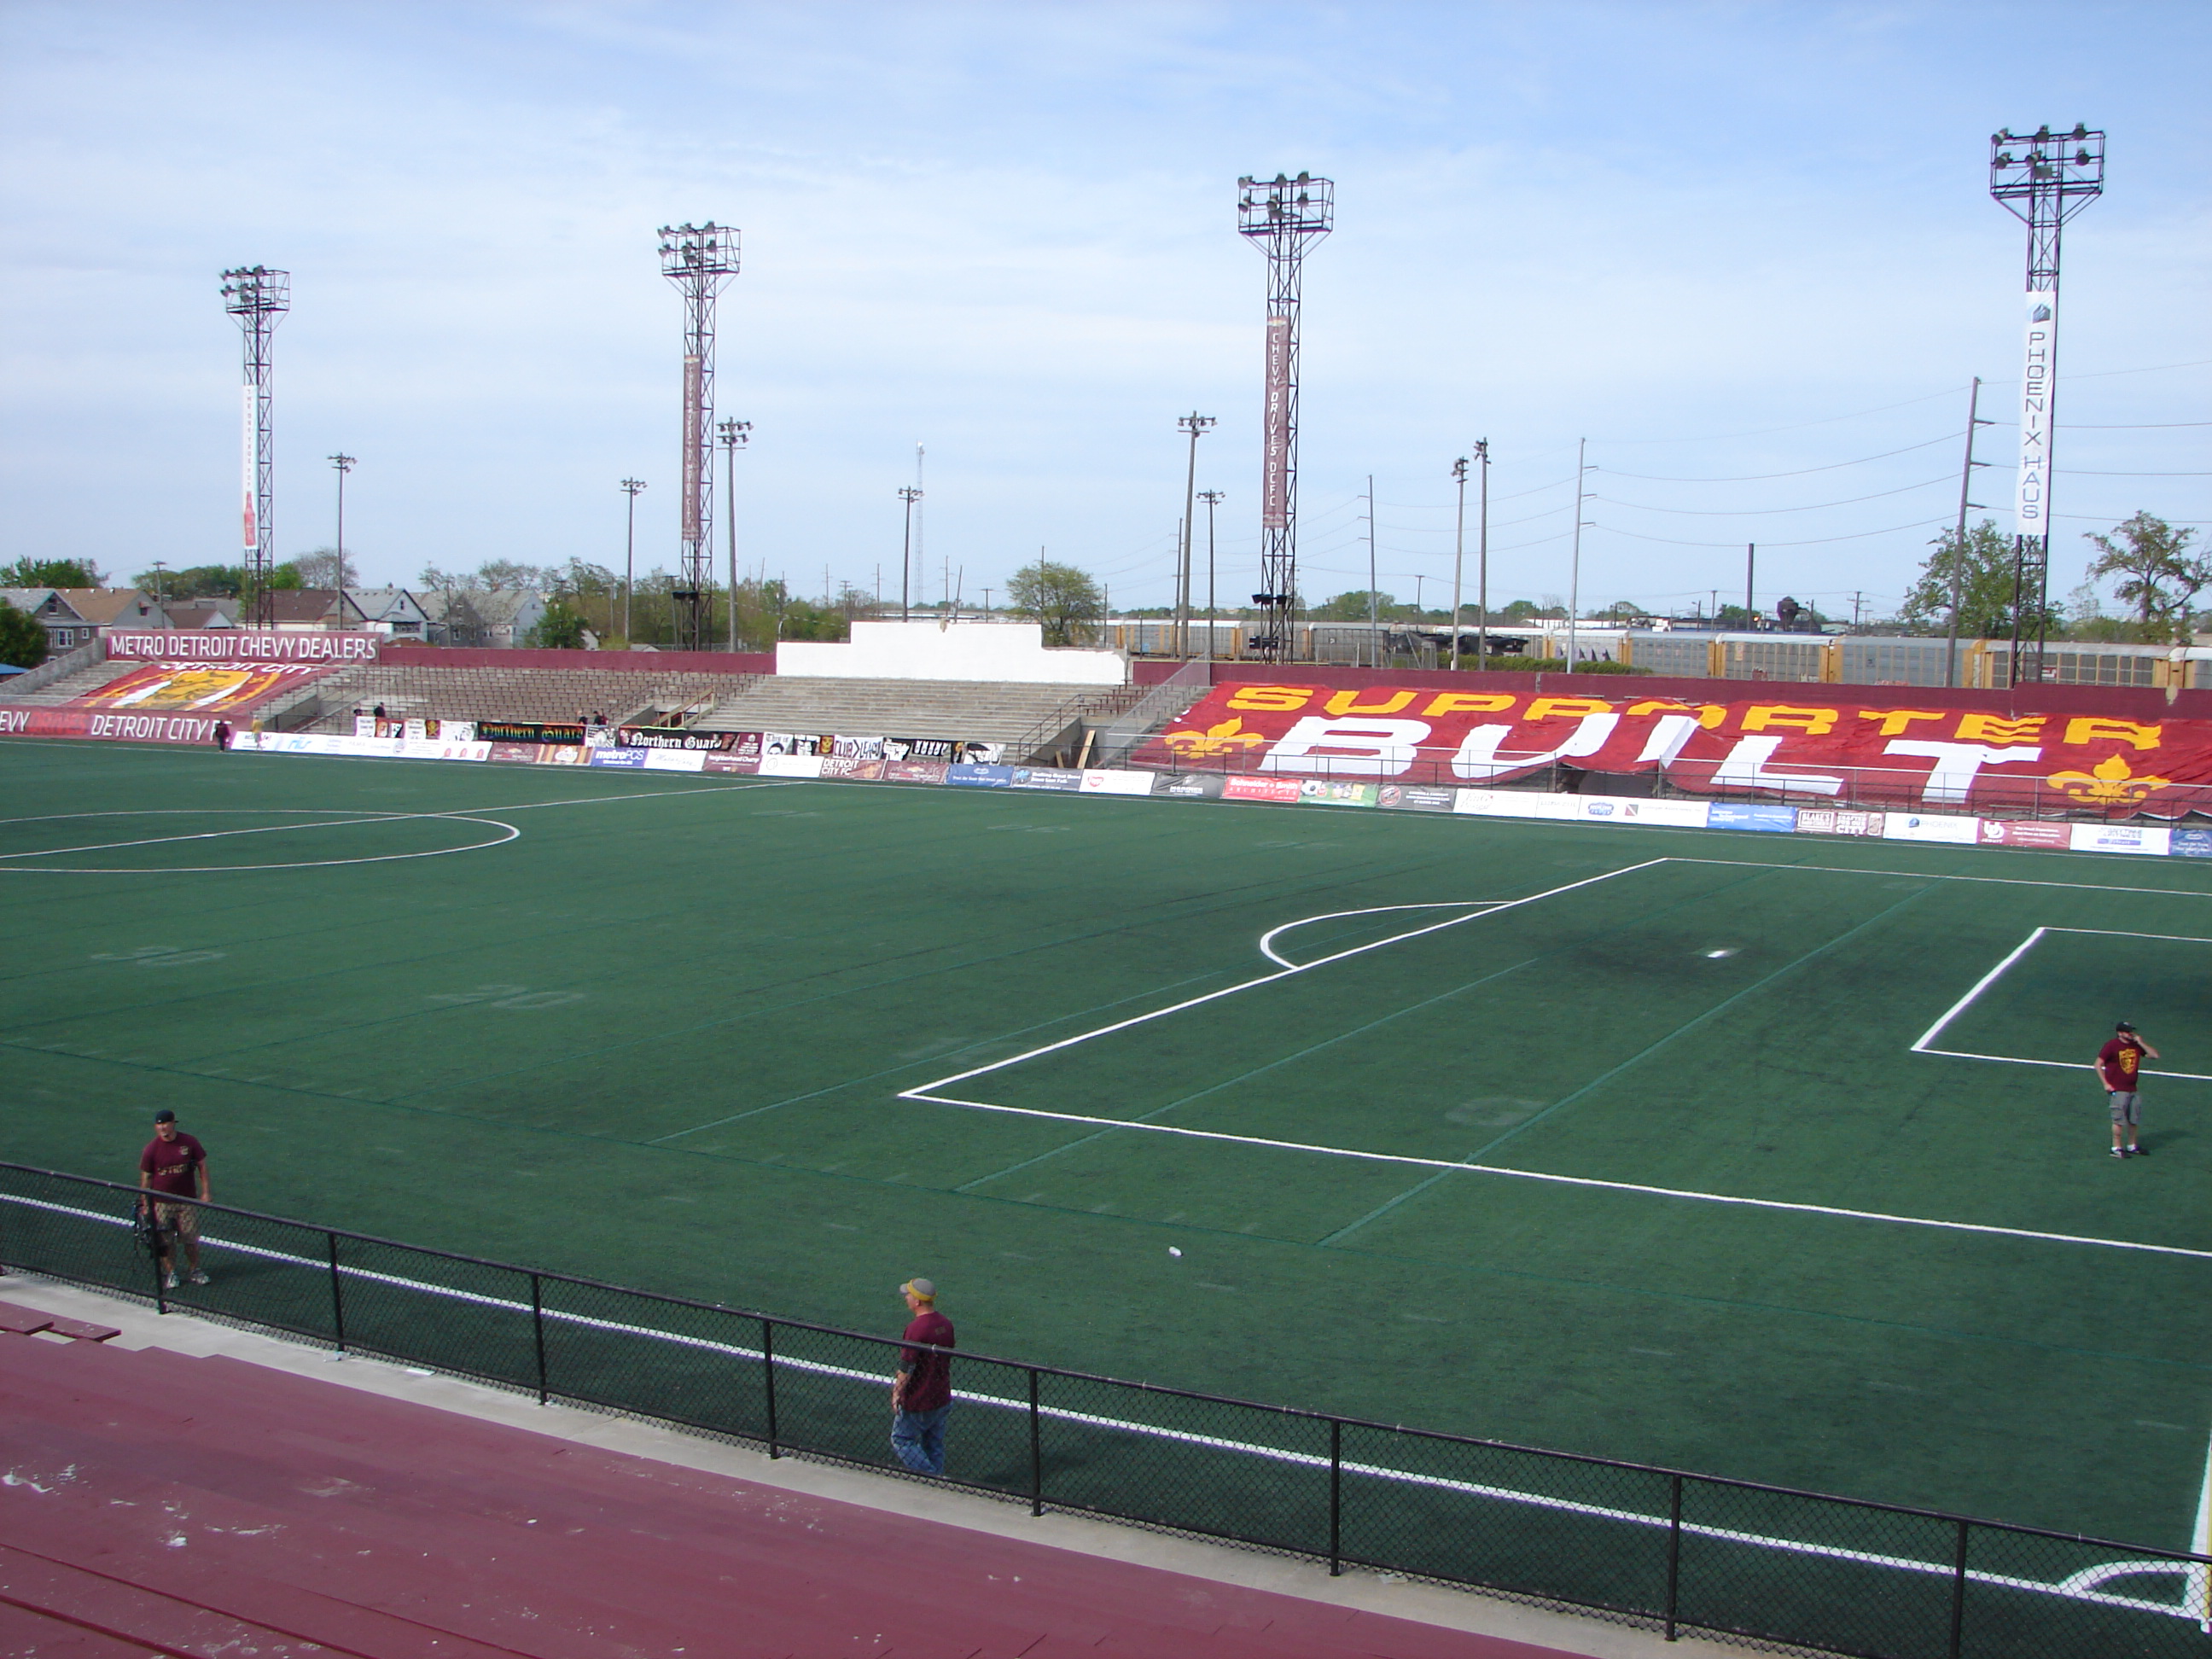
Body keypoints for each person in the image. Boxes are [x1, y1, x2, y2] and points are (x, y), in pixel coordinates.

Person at [888, 1278, 955, 1476]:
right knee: (933, 1443)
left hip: (919, 1398)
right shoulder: (945, 1324)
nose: (906, 1298)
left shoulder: (917, 1328)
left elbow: (907, 1365)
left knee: (901, 1439)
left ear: (917, 1301)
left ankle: (932, 1478)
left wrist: (897, 1392)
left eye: (908, 1295)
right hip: (941, 1395)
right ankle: (939, 1477)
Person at [137, 1109, 211, 1287]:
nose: (162, 1128)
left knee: (190, 1239)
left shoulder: (189, 1142)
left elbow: (202, 1167)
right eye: (159, 1124)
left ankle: (194, 1270)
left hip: (186, 1201)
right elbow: (146, 1178)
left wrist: (205, 1192)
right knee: (165, 1241)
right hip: (161, 1203)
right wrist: (145, 1203)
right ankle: (171, 1273)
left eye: (165, 1124)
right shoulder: (151, 1149)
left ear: (173, 1124)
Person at [2095, 1021, 2159, 1157]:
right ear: (2120, 1033)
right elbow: (2098, 1064)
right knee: (2118, 1120)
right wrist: (2106, 1084)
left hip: (2132, 1089)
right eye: (2127, 1032)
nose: (2130, 1034)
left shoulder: (2135, 1046)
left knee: (2133, 1120)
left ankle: (2132, 1145)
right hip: (2118, 1089)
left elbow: (2154, 1055)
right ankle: (2116, 1148)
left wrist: (2141, 1043)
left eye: (2131, 1031)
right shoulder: (2111, 1046)